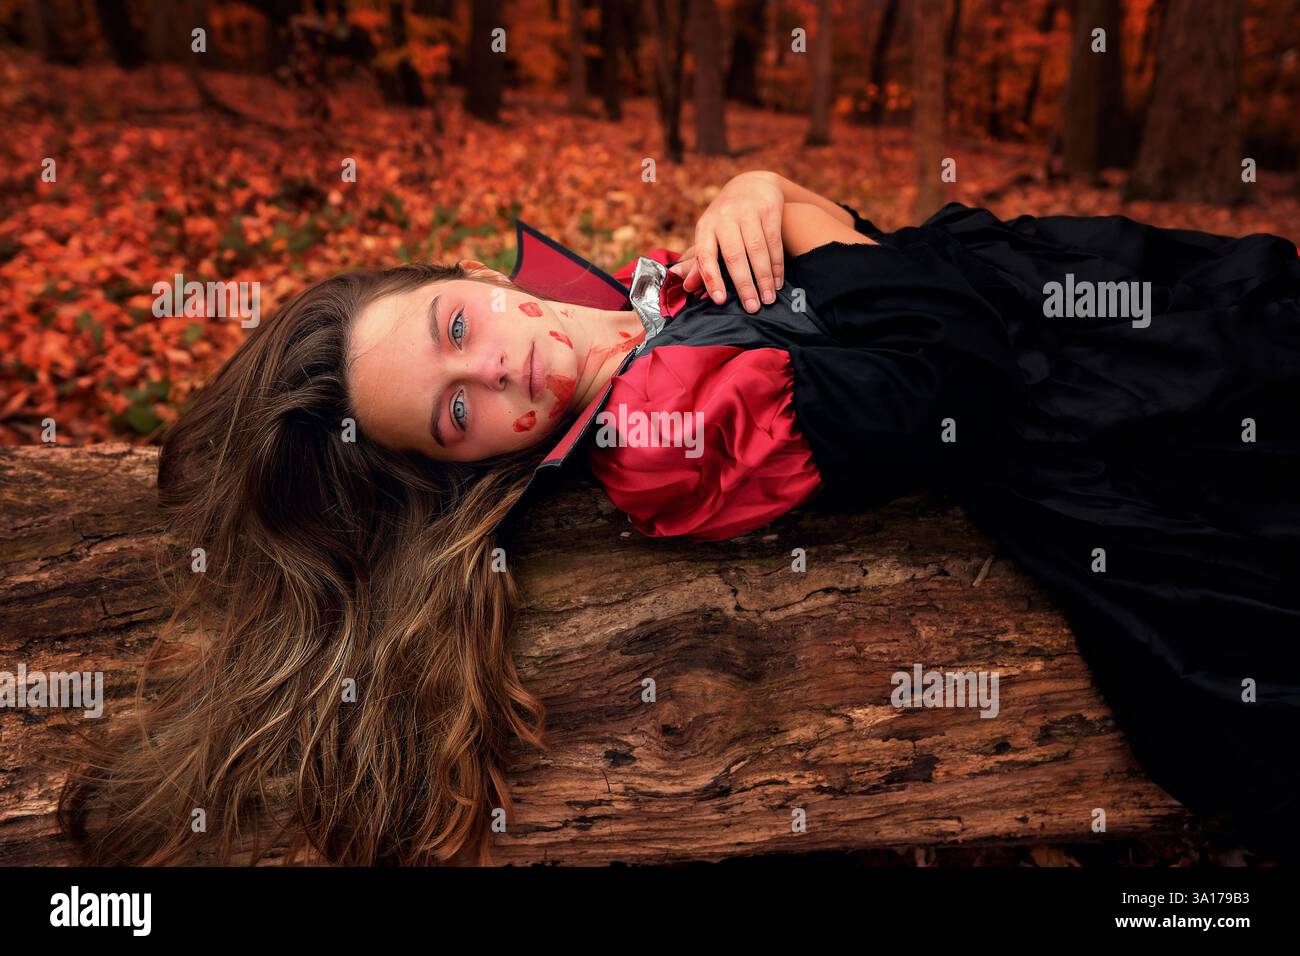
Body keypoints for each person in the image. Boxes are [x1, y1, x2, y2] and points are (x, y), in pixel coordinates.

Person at [60, 170, 1300, 865]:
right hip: (1138, 413)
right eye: (455, 414)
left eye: (456, 325)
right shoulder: (664, 428)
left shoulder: (602, 321)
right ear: (462, 464)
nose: (500, 368)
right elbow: (948, 389)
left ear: (461, 278)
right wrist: (792, 203)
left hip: (1127, 326)